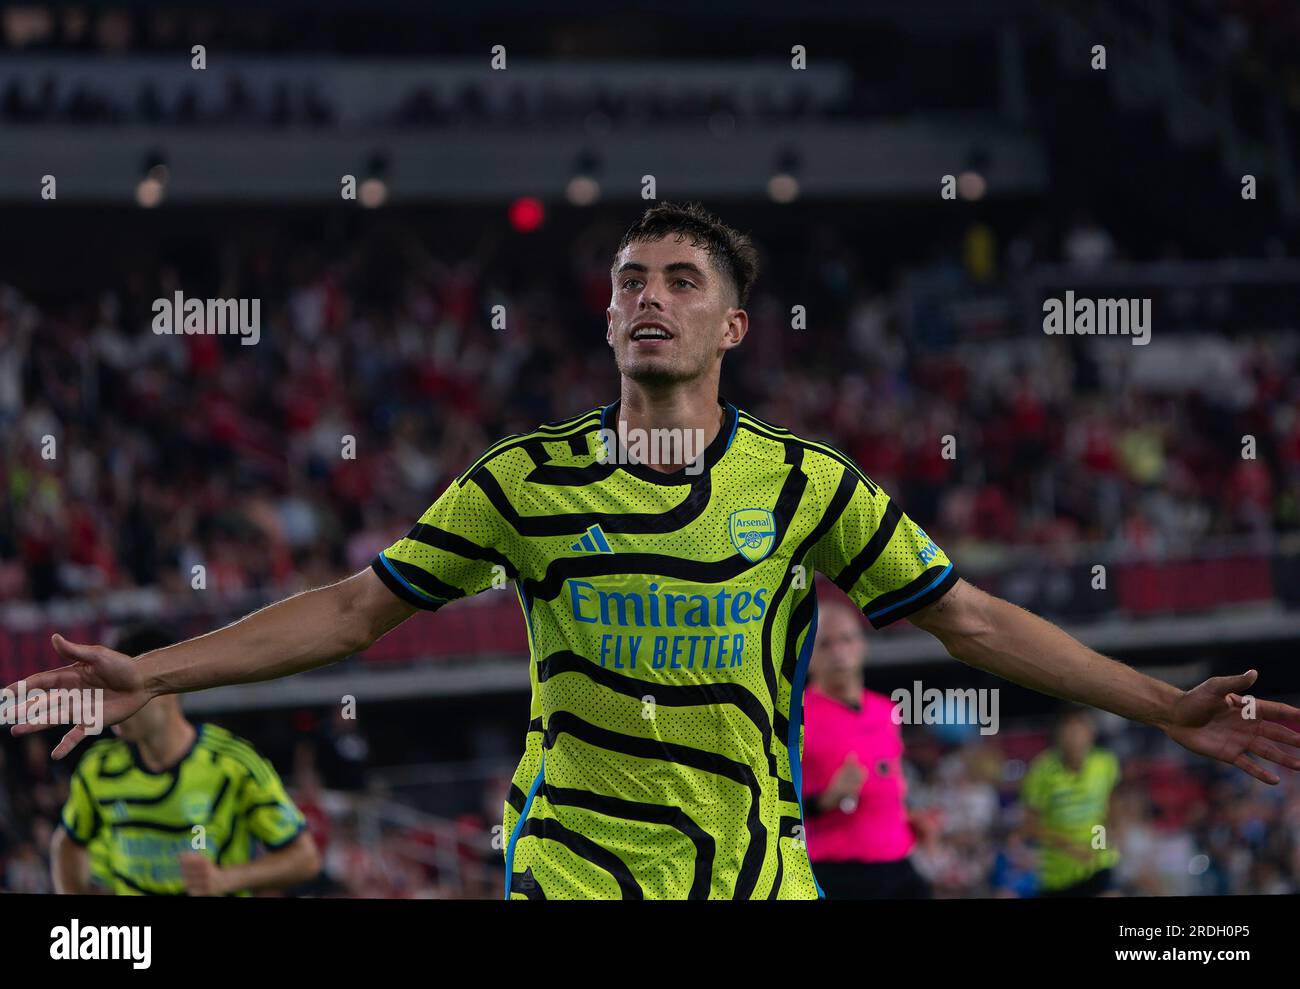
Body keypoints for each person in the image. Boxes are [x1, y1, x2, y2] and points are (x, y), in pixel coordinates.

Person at [10, 202, 1300, 900]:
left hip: (753, 865)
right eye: (631, 277)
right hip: (572, 858)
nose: (648, 295)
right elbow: (352, 613)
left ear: (732, 321)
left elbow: (970, 619)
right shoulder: (523, 476)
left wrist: (1157, 707)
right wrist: (155, 669)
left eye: (681, 278)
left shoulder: (805, 483)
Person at [49, 625, 321, 896]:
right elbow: (67, 843)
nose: (108, 705)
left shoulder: (232, 763)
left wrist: (226, 879)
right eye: (104, 692)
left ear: (167, 688)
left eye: (121, 689)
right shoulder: (98, 768)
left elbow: (304, 858)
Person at [802, 594, 933, 898]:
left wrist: (909, 817)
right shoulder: (795, 718)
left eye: (846, 639)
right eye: (825, 644)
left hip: (899, 864)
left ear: (861, 645)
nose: (839, 652)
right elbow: (770, 803)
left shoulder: (886, 710)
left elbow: (891, 777)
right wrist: (823, 801)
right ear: (807, 656)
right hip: (838, 872)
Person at [1021, 707, 1120, 897]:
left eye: (1079, 730)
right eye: (1068, 730)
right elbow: (1030, 827)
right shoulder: (1041, 770)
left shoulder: (1106, 763)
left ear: (1091, 733)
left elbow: (1110, 807)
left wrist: (1101, 843)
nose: (1073, 738)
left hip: (1098, 863)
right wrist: (1071, 847)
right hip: (1058, 873)